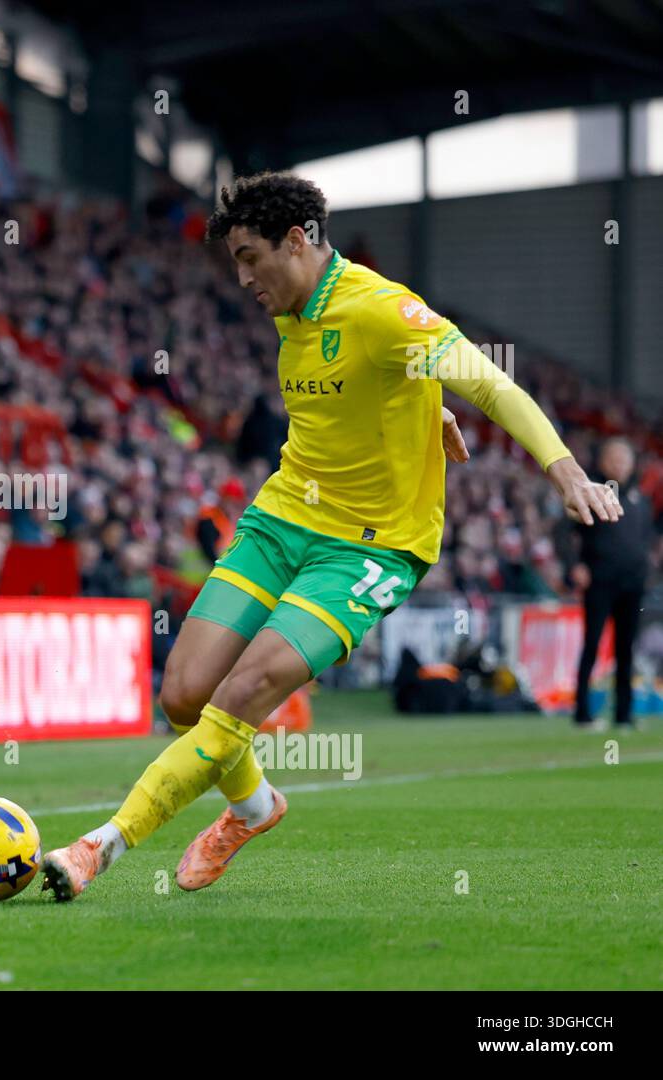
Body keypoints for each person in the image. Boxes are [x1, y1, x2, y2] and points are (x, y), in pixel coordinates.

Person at [40, 172, 621, 901]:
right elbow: (362, 388)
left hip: (369, 548)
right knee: (185, 694)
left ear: (298, 241)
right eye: (235, 263)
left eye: (251, 257)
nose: (243, 278)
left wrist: (564, 470)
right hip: (283, 519)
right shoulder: (291, 309)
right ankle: (254, 808)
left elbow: (489, 382)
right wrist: (418, 407)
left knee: (246, 688)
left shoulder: (381, 309)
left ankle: (101, 846)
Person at [572, 437, 655, 729]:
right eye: (613, 457)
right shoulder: (591, 493)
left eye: (624, 458)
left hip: (632, 583)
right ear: (603, 460)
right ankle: (582, 713)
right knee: (592, 644)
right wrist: (576, 565)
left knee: (626, 649)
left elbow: (646, 539)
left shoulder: (641, 500)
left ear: (633, 463)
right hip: (600, 580)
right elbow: (566, 532)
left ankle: (624, 714)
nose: (619, 464)